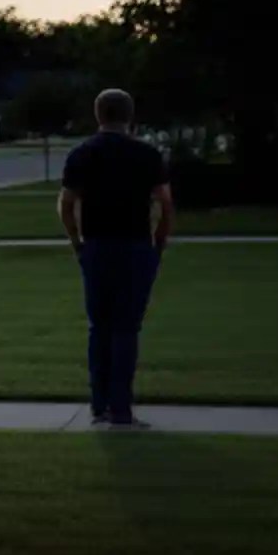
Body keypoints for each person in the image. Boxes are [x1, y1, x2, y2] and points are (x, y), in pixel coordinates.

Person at [58, 89, 175, 429]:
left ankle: (99, 404)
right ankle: (121, 408)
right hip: (136, 246)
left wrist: (77, 243)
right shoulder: (147, 154)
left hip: (97, 247)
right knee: (126, 329)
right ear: (130, 115)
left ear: (98, 115)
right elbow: (165, 205)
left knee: (100, 328)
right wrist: (159, 244)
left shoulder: (82, 154)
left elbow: (66, 205)